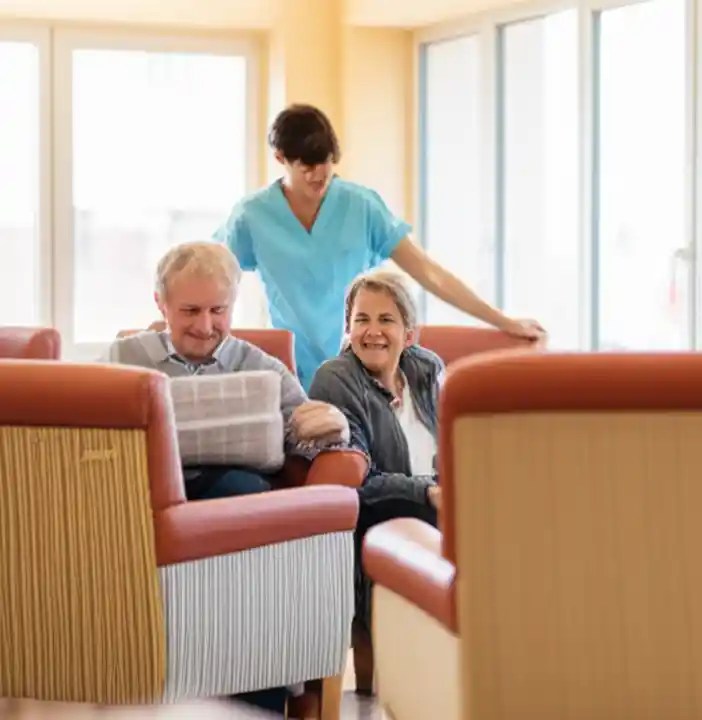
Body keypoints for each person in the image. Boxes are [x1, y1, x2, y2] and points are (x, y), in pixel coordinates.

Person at [104, 241, 351, 713]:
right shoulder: (124, 358)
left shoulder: (262, 367)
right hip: (143, 495)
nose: (205, 326)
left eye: (218, 311)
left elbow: (308, 433)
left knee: (247, 496)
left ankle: (255, 693)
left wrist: (326, 426)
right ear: (161, 304)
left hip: (235, 495)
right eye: (189, 311)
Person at [215, 103, 544, 389]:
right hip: (290, 371)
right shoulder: (253, 216)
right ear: (281, 158)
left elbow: (428, 272)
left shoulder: (361, 206)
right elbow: (214, 278)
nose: (320, 174)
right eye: (307, 166)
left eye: (326, 162)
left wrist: (503, 321)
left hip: (363, 365)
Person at [307, 270, 444, 693]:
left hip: (441, 506)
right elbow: (358, 482)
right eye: (362, 319)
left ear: (409, 333)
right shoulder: (336, 378)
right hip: (378, 518)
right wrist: (428, 491)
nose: (373, 331)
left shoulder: (427, 369)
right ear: (348, 329)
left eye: (386, 320)